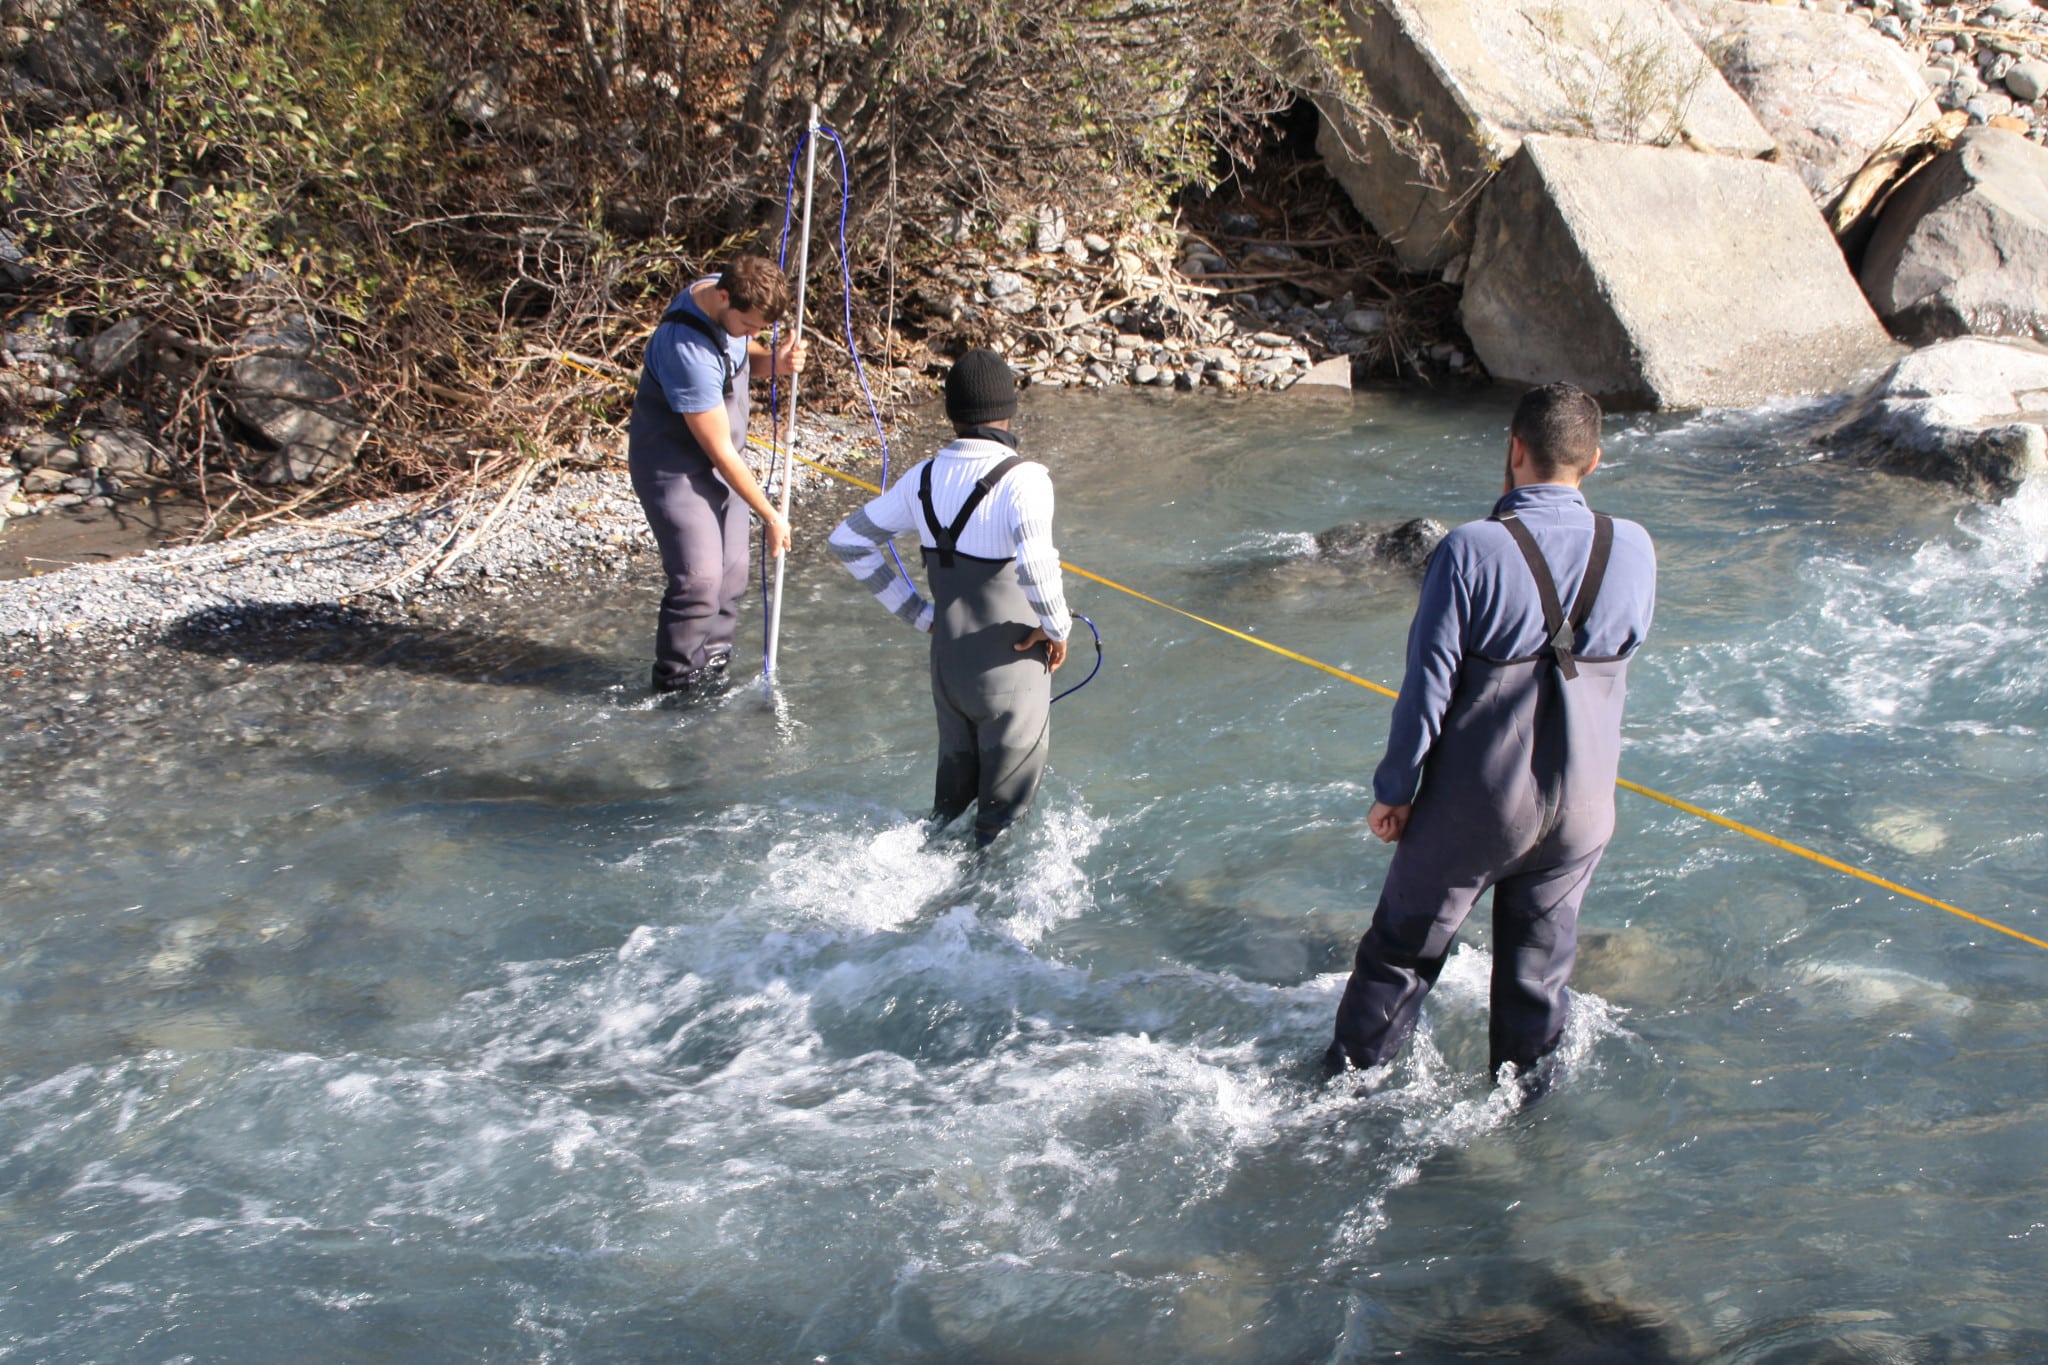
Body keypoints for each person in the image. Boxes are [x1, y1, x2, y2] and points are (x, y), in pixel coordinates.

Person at [1326, 382, 1657, 1085]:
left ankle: (1343, 1100)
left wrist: (1395, 789)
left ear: (1514, 447)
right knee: (1537, 983)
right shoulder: (1634, 547)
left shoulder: (1470, 550)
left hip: (1476, 808)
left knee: (1397, 959)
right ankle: (1522, 1126)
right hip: (1584, 807)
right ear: (1593, 461)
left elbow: (1427, 688)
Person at [828, 349, 1073, 846]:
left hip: (948, 671)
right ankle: (970, 917)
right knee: (1000, 829)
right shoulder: (1025, 480)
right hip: (1010, 672)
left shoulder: (920, 479)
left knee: (946, 818)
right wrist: (1057, 627)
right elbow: (1036, 566)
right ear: (1009, 409)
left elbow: (848, 541)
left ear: (952, 413)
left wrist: (918, 614)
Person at [628, 253, 806, 694]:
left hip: (723, 464)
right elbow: (721, 451)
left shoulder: (730, 295)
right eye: (749, 326)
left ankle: (714, 671)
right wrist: (771, 515)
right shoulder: (685, 349)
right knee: (699, 581)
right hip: (675, 468)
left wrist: (777, 363)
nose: (754, 335)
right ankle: (676, 686)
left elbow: (746, 351)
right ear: (723, 298)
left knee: (733, 577)